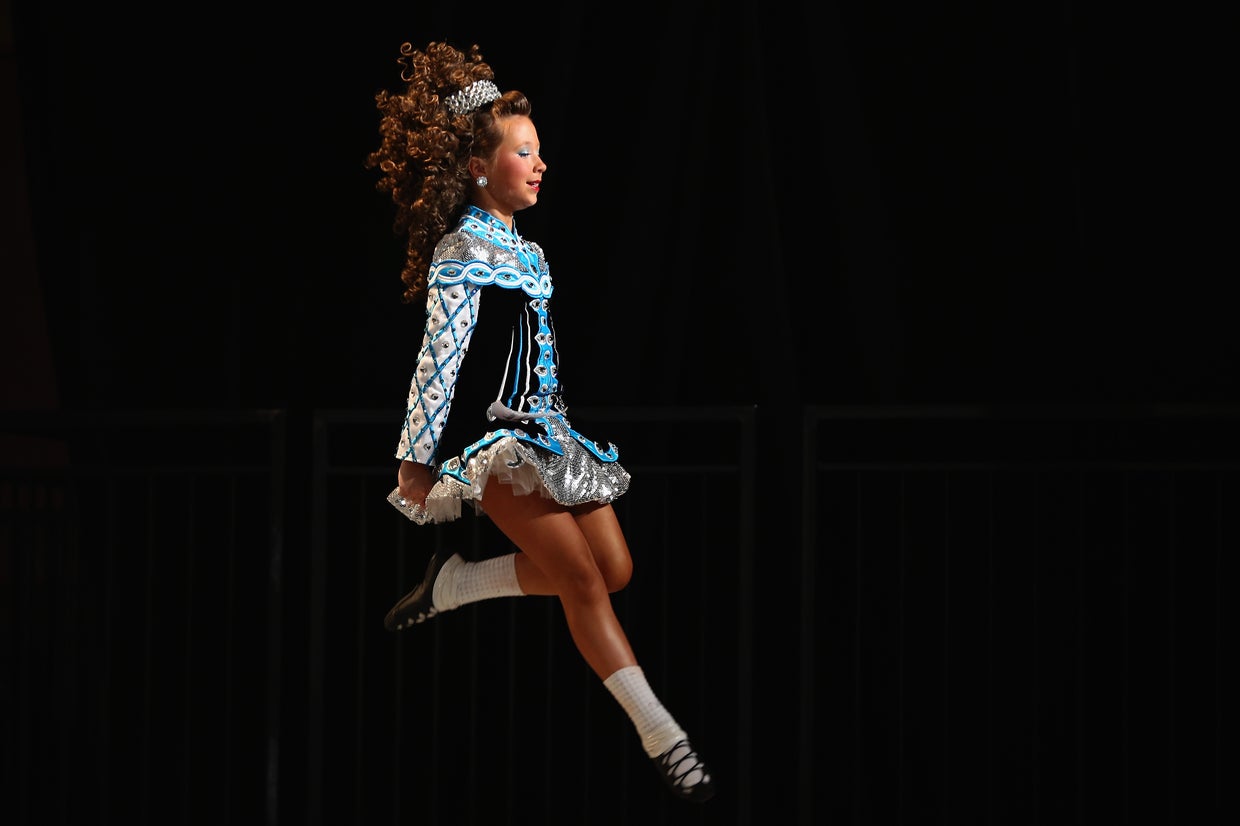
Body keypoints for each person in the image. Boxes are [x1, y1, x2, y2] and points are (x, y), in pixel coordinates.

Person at [365, 41, 715, 803]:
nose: (540, 162)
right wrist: (415, 459)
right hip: (497, 445)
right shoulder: (463, 248)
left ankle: (456, 586)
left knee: (614, 571)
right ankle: (663, 735)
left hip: (550, 435)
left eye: (539, 149)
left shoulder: (528, 252)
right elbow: (440, 357)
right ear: (478, 168)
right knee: (583, 581)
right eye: (523, 150)